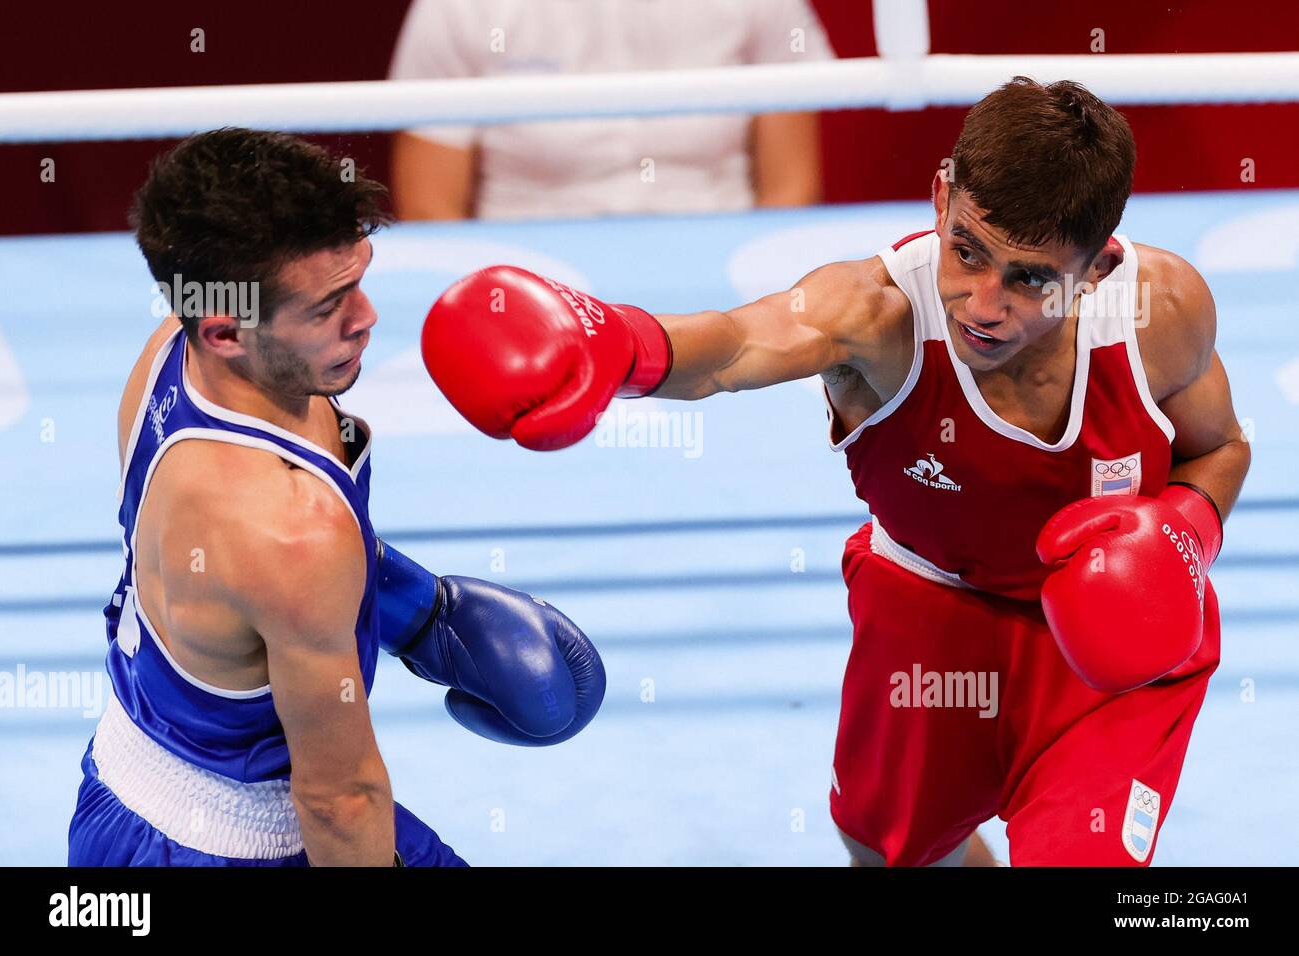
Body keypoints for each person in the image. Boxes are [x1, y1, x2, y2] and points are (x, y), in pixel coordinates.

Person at [421, 77, 1252, 866]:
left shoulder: (1162, 314)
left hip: (1114, 646)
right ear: (940, 200)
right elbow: (734, 345)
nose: (984, 302)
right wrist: (615, 345)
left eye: (1030, 279)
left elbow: (1220, 447)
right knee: (891, 854)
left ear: (1096, 271)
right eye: (966, 251)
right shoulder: (875, 315)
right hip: (931, 619)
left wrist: (1181, 532)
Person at [67, 128, 605, 867]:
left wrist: (422, 615)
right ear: (226, 330)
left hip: (130, 777)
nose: (367, 317)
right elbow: (338, 798)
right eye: (328, 306)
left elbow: (249, 590)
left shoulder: (177, 346)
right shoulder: (287, 528)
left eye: (358, 279)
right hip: (235, 844)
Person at [388, 0, 833, 220]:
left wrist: (758, 302)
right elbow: (430, 209)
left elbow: (790, 188)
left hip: (721, 272)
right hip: (523, 280)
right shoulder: (458, 9)